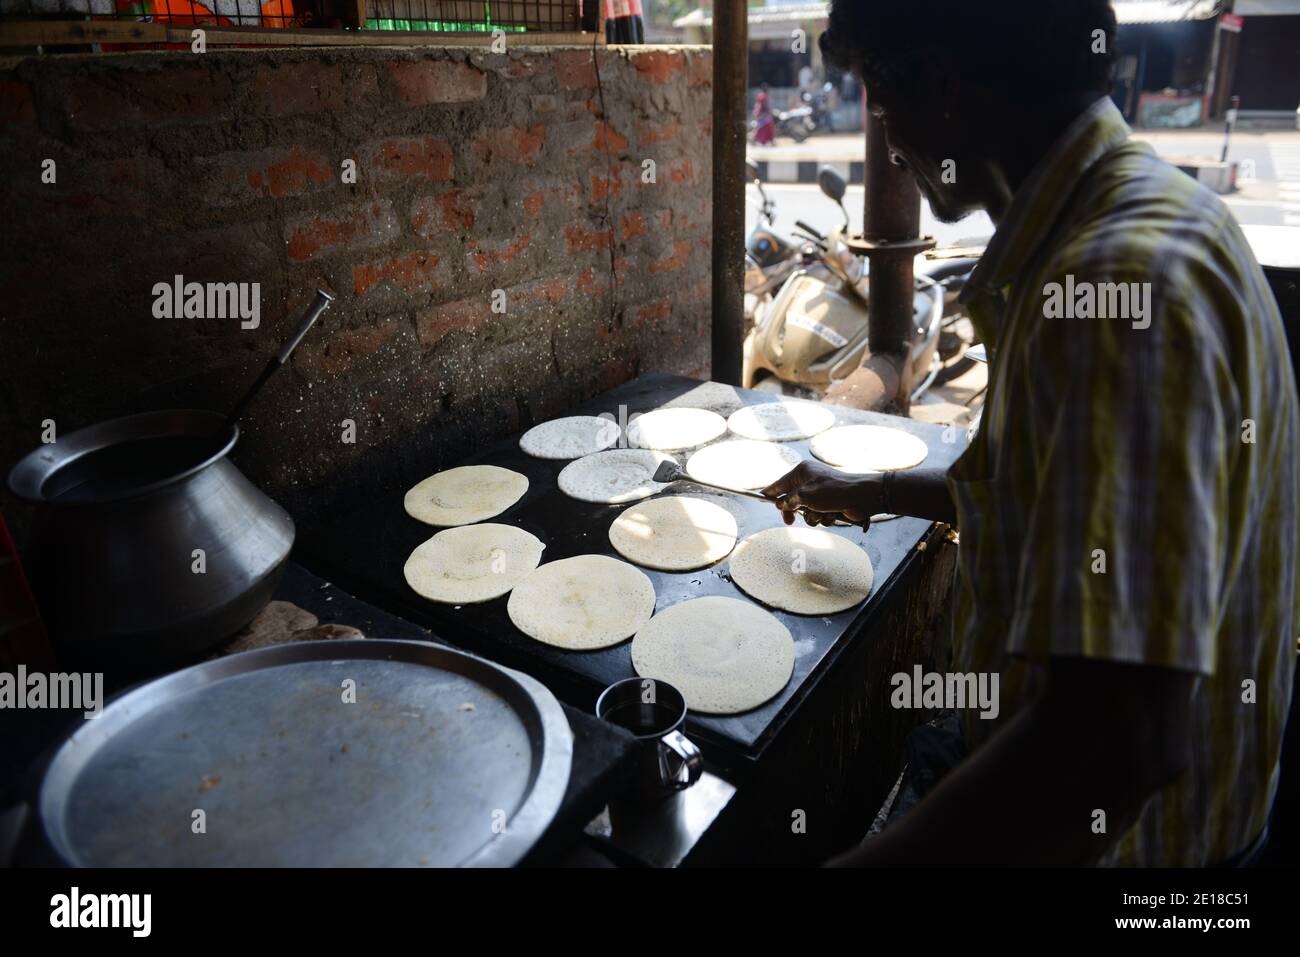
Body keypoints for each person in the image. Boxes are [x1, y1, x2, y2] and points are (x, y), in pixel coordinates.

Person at [765, 0, 1300, 866]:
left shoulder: (1114, 292)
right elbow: (1066, 503)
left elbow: (1107, 746)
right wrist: (877, 492)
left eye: (877, 95)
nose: (884, 135)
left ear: (941, 85)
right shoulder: (1146, 214)